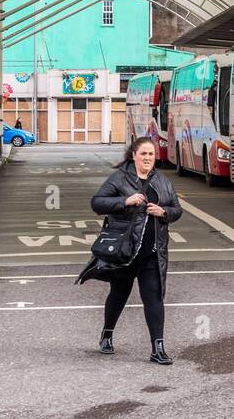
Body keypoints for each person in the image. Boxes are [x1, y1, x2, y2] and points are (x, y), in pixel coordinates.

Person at [77, 138, 183, 364]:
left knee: (153, 298)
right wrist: (125, 201)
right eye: (143, 153)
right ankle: (107, 333)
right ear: (133, 155)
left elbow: (177, 209)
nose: (147, 158)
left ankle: (158, 348)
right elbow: (97, 203)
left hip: (152, 253)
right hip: (126, 252)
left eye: (151, 154)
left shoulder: (162, 182)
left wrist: (163, 212)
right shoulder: (120, 178)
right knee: (119, 294)